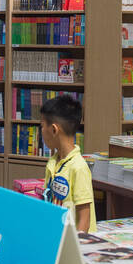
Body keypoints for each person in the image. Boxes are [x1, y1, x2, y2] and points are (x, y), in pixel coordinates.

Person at [39, 94, 94, 232]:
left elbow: (84, 220)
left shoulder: (79, 167)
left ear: (53, 130)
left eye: (42, 126)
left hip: (75, 245)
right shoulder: (53, 162)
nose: (41, 131)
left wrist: (74, 250)